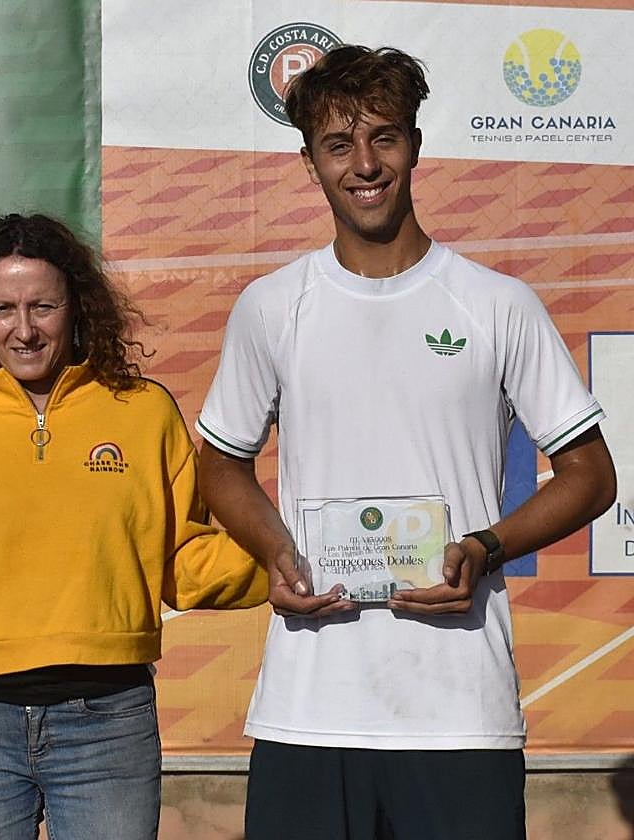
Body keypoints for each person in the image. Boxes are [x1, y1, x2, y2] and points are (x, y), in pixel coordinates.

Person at [196, 46, 617, 840]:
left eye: (384, 138)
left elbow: (590, 475)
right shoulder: (271, 307)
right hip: (309, 713)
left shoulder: (498, 304)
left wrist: (485, 546)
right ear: (310, 162)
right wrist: (277, 555)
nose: (365, 165)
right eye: (338, 144)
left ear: (416, 145)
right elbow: (221, 464)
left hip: (460, 714)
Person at [0, 213, 268, 839]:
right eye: (2, 310)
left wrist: (295, 559)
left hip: (109, 721)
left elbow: (183, 562)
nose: (23, 330)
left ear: (76, 308)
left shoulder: (144, 412)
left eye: (42, 306)